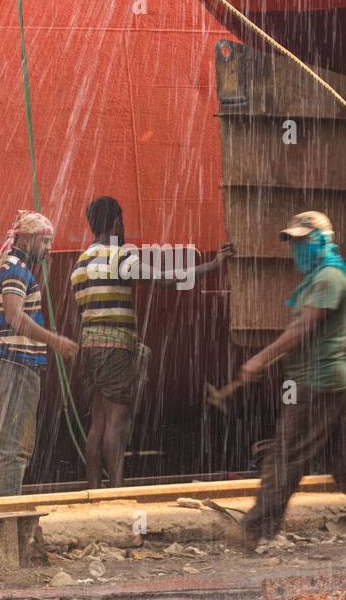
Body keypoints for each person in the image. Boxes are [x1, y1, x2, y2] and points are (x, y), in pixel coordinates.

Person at [237, 211, 346, 550]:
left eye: (302, 241)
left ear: (322, 241)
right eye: (294, 243)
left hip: (317, 385)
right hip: (330, 384)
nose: (297, 249)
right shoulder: (324, 276)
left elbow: (302, 328)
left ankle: (255, 531)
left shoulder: (328, 278)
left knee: (286, 458)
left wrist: (259, 358)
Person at [71, 196, 232, 488]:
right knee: (117, 423)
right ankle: (117, 491)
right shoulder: (119, 256)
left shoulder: (80, 263)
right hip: (115, 349)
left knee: (96, 424)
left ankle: (94, 490)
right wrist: (211, 266)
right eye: (122, 220)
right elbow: (165, 280)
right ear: (116, 222)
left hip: (89, 349)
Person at [0, 210, 78, 496]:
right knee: (15, 449)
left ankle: (6, 516)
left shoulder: (6, 265)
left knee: (11, 447)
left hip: (5, 364)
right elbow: (14, 316)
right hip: (15, 364)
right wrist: (55, 340)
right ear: (27, 240)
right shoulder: (16, 270)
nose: (48, 248)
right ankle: (8, 521)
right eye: (45, 242)